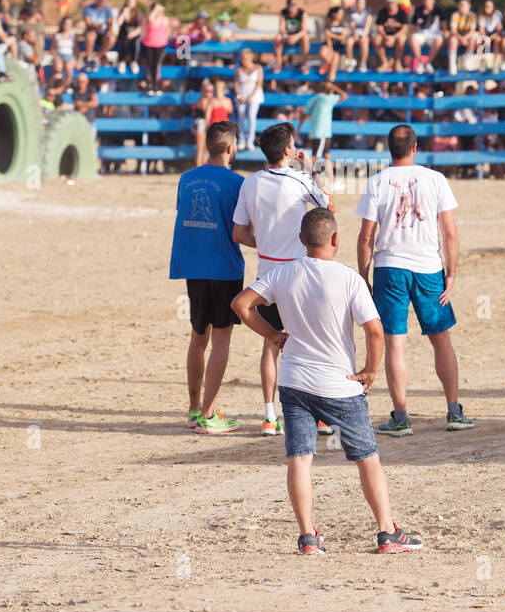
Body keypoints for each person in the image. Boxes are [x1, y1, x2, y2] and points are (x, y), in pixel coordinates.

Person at [231, 208, 422, 555]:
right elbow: (375, 331)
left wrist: (274, 336)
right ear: (336, 240)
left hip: (294, 383)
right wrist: (370, 369)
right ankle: (386, 531)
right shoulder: (349, 278)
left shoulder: (282, 273)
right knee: (367, 458)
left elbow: (242, 305)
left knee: (300, 459)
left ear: (301, 240)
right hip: (339, 385)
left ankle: (308, 537)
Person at [355, 124, 471, 436]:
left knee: (395, 342)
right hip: (428, 267)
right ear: (415, 148)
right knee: (440, 337)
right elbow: (449, 234)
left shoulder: (377, 181)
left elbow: (366, 238)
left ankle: (401, 415)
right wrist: (451, 273)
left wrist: (363, 276)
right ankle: (453, 410)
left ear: (388, 149)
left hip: (389, 267)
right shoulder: (435, 179)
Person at [232, 122, 333, 435]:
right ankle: (317, 415)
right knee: (312, 345)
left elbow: (238, 233)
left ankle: (269, 415)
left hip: (267, 272)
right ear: (288, 150)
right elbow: (329, 211)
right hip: (300, 273)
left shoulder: (250, 183)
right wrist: (312, 170)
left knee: (271, 346)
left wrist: (264, 245)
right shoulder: (300, 179)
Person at [171, 120, 246, 434]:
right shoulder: (238, 182)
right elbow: (242, 228)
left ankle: (192, 409)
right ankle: (209, 412)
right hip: (225, 267)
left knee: (197, 337)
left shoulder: (186, 179)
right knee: (222, 341)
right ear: (230, 147)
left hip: (194, 266)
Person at [296, 80, 348, 168]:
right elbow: (344, 96)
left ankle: (332, 180)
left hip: (316, 131)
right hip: (323, 132)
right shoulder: (328, 99)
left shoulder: (313, 99)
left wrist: (298, 129)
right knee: (315, 156)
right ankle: (306, 175)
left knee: (326, 155)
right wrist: (333, 87)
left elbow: (303, 115)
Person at [234, 49, 265, 151]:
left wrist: (252, 96)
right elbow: (236, 84)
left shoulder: (258, 68)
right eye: (242, 59)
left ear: (251, 58)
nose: (243, 61)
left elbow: (259, 83)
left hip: (255, 94)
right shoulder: (239, 70)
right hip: (242, 94)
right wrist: (239, 96)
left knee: (252, 116)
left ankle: (250, 141)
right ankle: (242, 140)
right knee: (241, 115)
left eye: (245, 59)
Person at [373, 0, 409, 70]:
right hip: (385, 37)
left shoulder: (402, 13)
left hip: (397, 37)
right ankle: (384, 62)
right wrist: (386, 37)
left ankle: (398, 63)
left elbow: (404, 29)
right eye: (389, 2)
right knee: (376, 39)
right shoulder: (382, 12)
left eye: (392, 2)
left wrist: (393, 37)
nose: (390, 4)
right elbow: (379, 28)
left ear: (397, 3)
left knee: (402, 39)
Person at [140, 1, 171, 94]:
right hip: (149, 43)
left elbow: (167, 31)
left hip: (160, 44)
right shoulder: (150, 18)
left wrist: (164, 39)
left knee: (156, 65)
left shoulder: (165, 19)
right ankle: (149, 85)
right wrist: (155, 10)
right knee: (149, 65)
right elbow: (149, 20)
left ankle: (155, 85)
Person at [408, 0, 445, 69]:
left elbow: (444, 25)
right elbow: (413, 27)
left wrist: (445, 34)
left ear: (433, 1)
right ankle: (420, 62)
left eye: (428, 0)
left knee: (439, 39)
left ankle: (428, 63)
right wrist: (411, 37)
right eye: (425, 0)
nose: (426, 2)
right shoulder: (418, 10)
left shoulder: (438, 10)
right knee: (413, 38)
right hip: (421, 35)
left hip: (433, 36)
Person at [274, 0, 309, 68]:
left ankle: (304, 63)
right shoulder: (283, 13)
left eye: (294, 6)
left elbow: (304, 30)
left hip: (298, 37)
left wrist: (296, 37)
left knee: (305, 38)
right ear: (287, 6)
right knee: (277, 38)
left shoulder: (302, 13)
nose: (293, 8)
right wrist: (287, 36)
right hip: (287, 37)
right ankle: (279, 62)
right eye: (291, 6)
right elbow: (281, 28)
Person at [446, 0, 479, 73]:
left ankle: (467, 61)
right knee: (452, 40)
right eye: (460, 5)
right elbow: (453, 31)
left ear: (469, 6)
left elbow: (472, 31)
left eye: (463, 5)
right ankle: (452, 64)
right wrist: (461, 38)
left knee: (473, 39)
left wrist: (464, 38)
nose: (461, 7)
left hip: (467, 39)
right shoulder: (455, 15)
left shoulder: (472, 15)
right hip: (458, 39)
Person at [82, 0, 116, 66]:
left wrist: (109, 31)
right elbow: (88, 23)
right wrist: (96, 26)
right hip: (92, 31)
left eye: (105, 1)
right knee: (90, 35)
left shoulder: (107, 9)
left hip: (103, 34)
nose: (103, 2)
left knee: (112, 38)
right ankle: (89, 57)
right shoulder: (88, 8)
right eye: (101, 0)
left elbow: (110, 23)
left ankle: (97, 57)